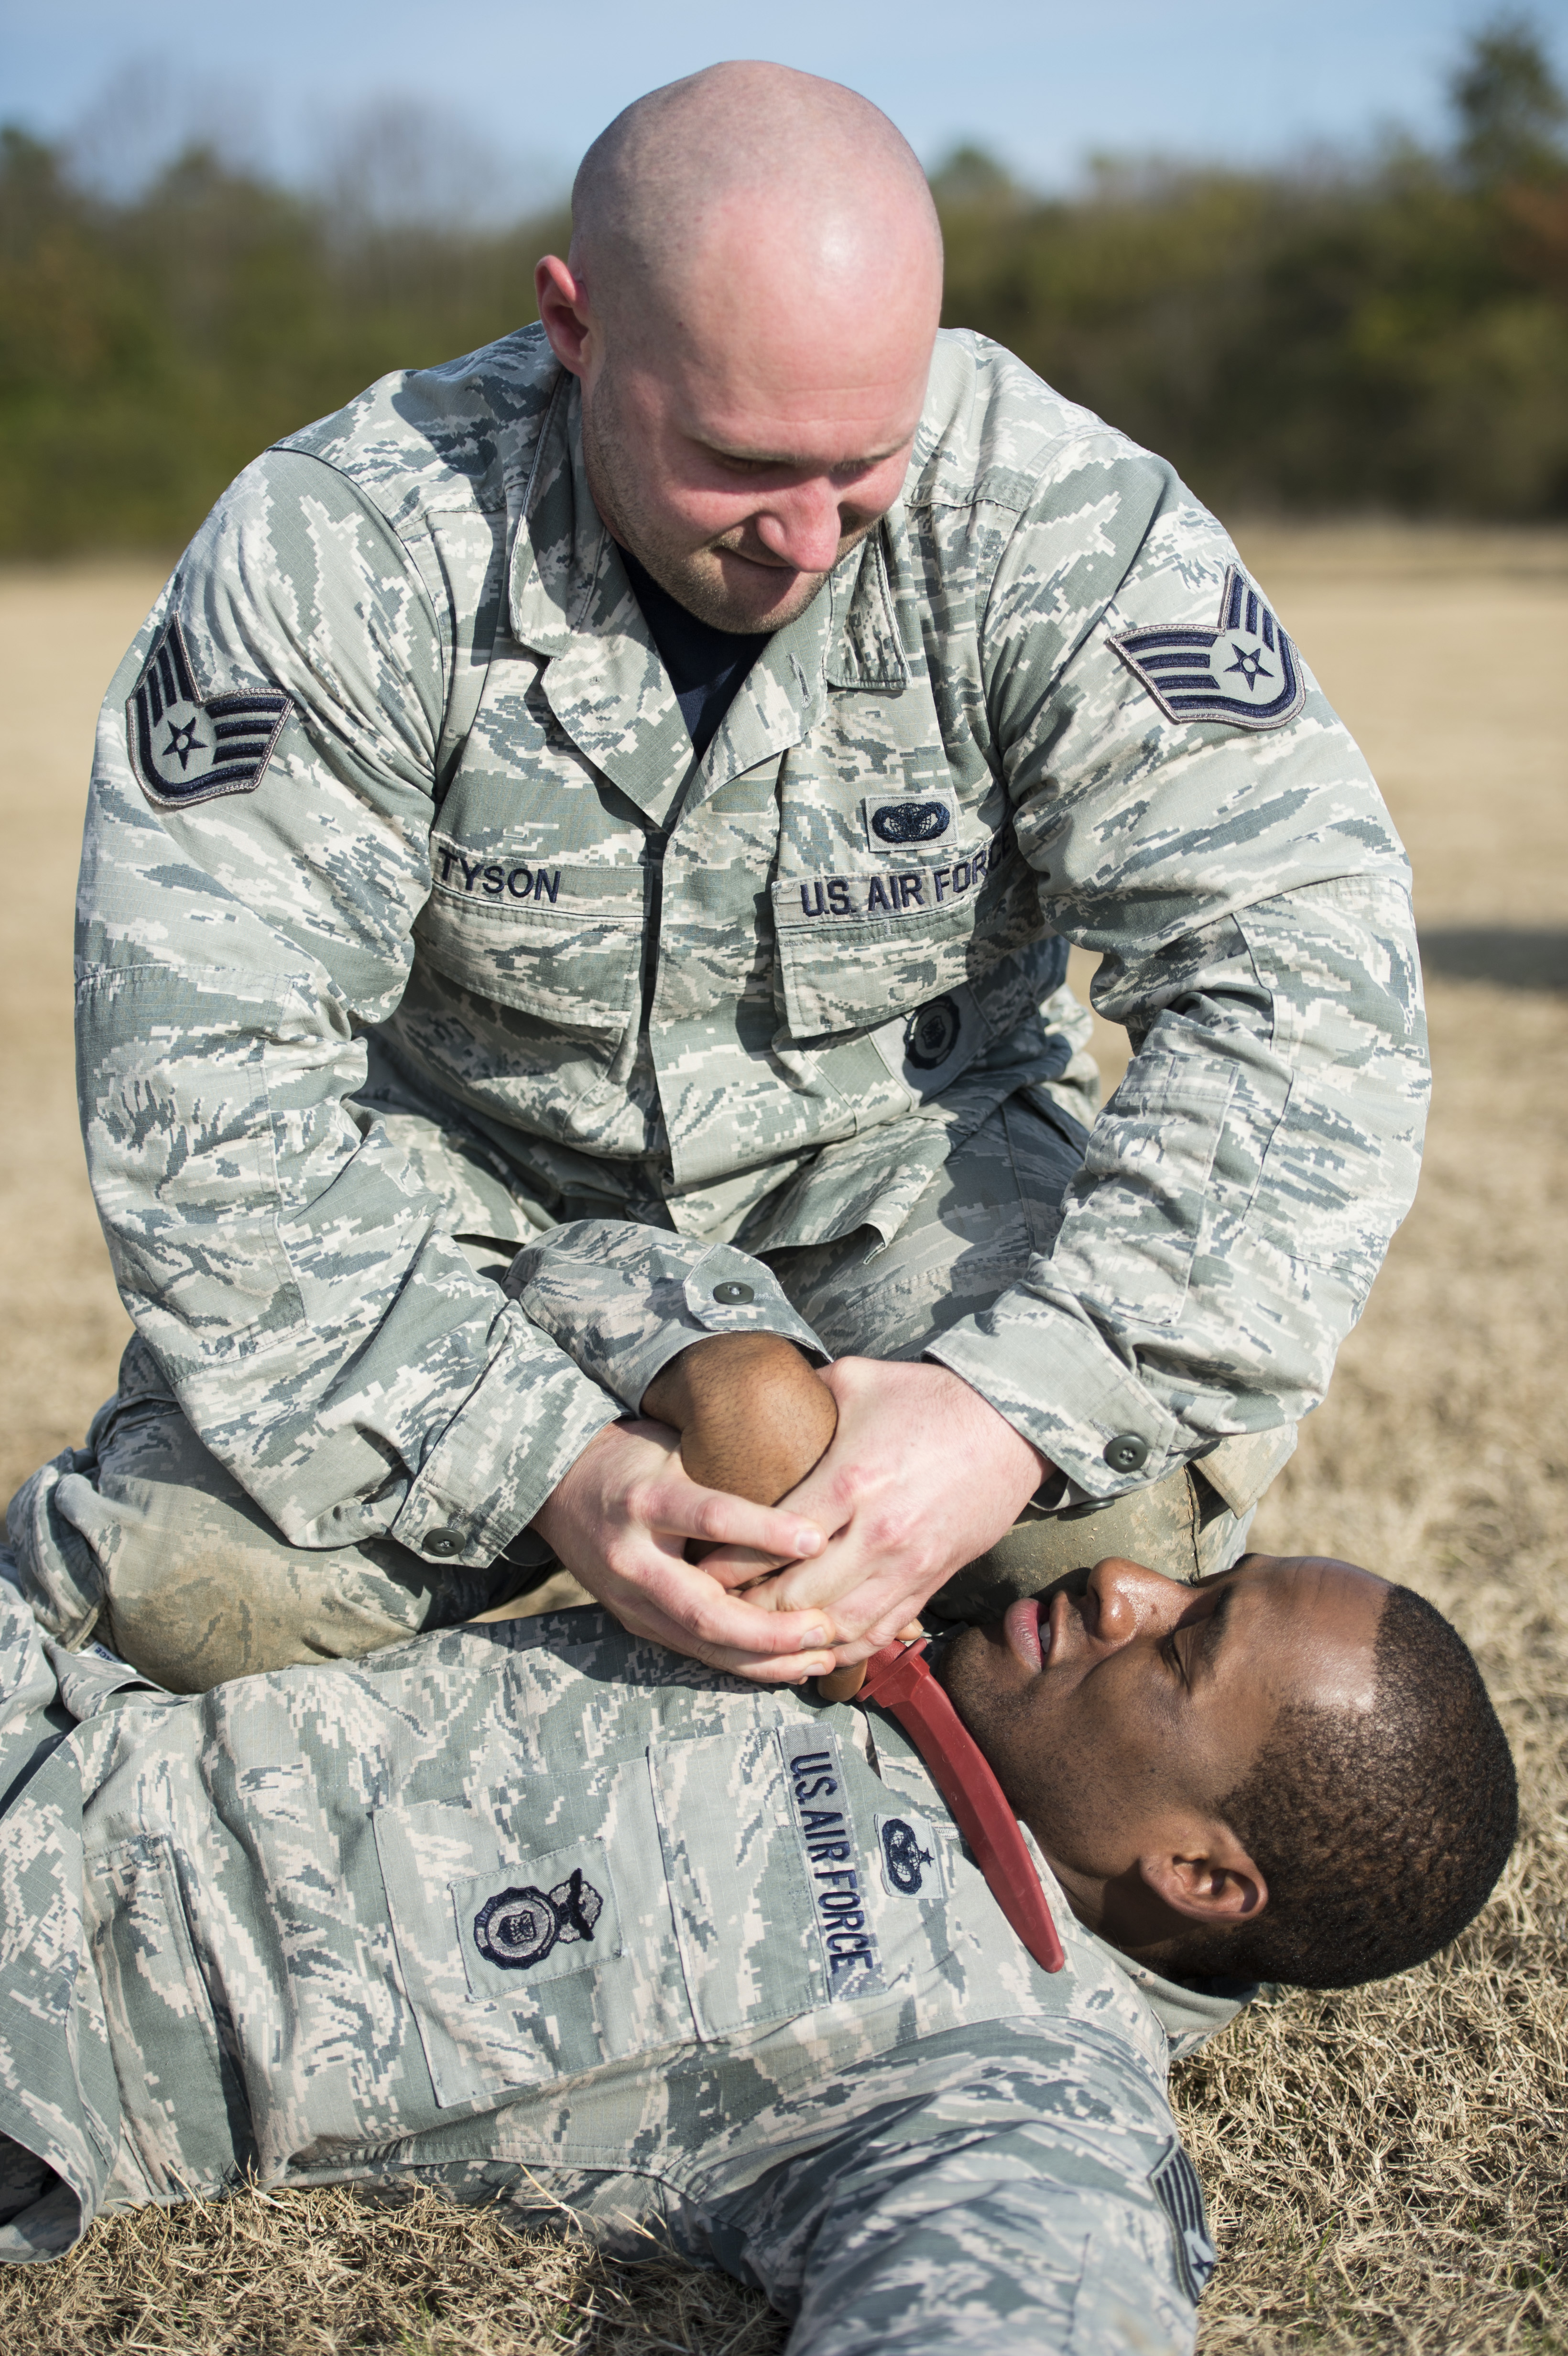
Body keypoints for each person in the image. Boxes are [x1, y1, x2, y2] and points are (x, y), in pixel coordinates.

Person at [4, 61, 1428, 1696]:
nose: (812, 540)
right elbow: (208, 1106)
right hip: (462, 1219)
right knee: (191, 1609)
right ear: (574, 326)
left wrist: (1000, 1420)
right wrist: (553, 1464)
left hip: (897, 1175)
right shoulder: (340, 553)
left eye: (867, 460)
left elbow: (1308, 987)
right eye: (744, 462)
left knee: (1110, 1552)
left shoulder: (1059, 520)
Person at [0, 1526, 1516, 2353]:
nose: (1127, 1580)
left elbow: (1027, 2305)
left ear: (1199, 1874)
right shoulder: (894, 1604)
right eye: (1202, 1579)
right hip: (55, 1707)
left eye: (1184, 1643)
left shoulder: (1015, 2079)